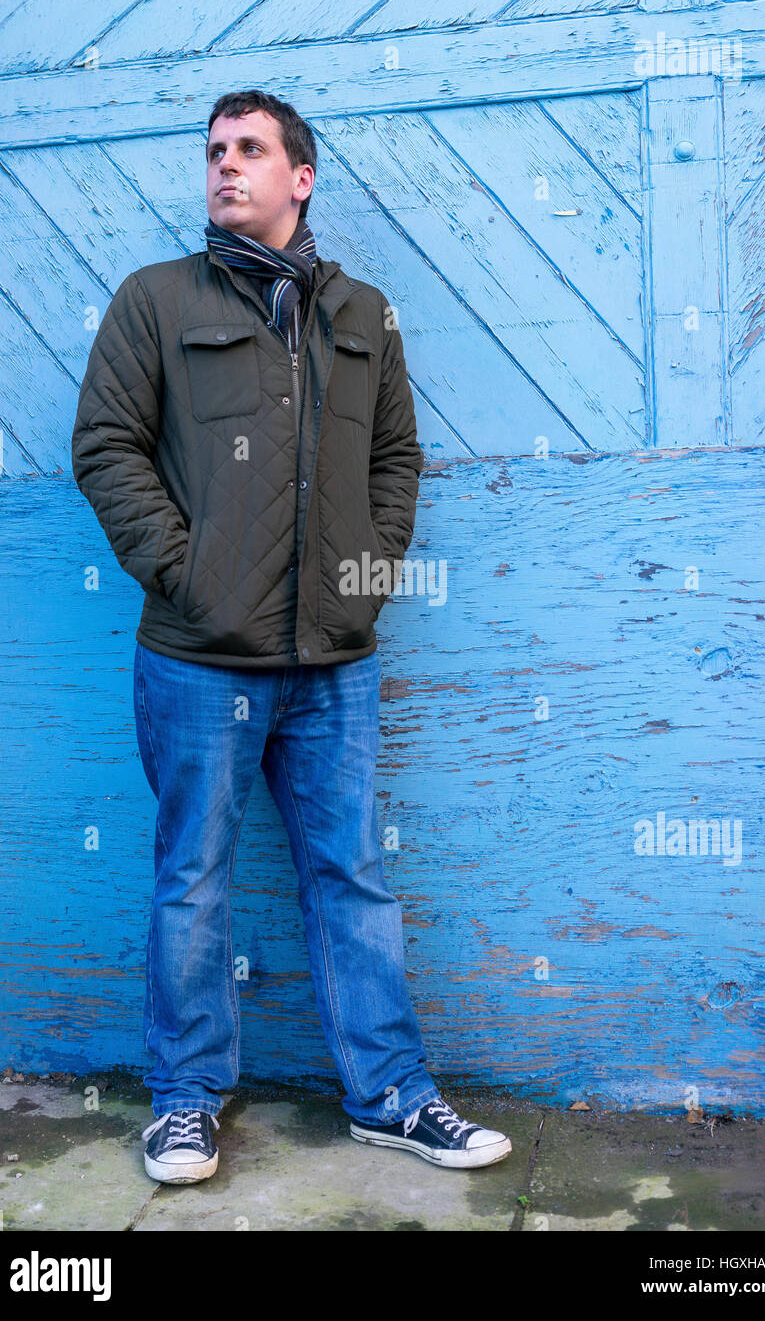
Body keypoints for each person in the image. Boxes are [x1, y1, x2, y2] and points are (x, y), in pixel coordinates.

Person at [71, 88, 511, 1184]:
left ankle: (392, 1096)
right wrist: (186, 573)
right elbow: (105, 446)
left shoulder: (363, 314)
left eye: (250, 150)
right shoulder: (156, 301)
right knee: (193, 879)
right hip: (194, 657)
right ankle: (182, 1102)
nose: (226, 166)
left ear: (299, 176)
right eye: (214, 151)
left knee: (349, 873)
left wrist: (364, 578)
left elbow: (395, 463)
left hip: (333, 661)